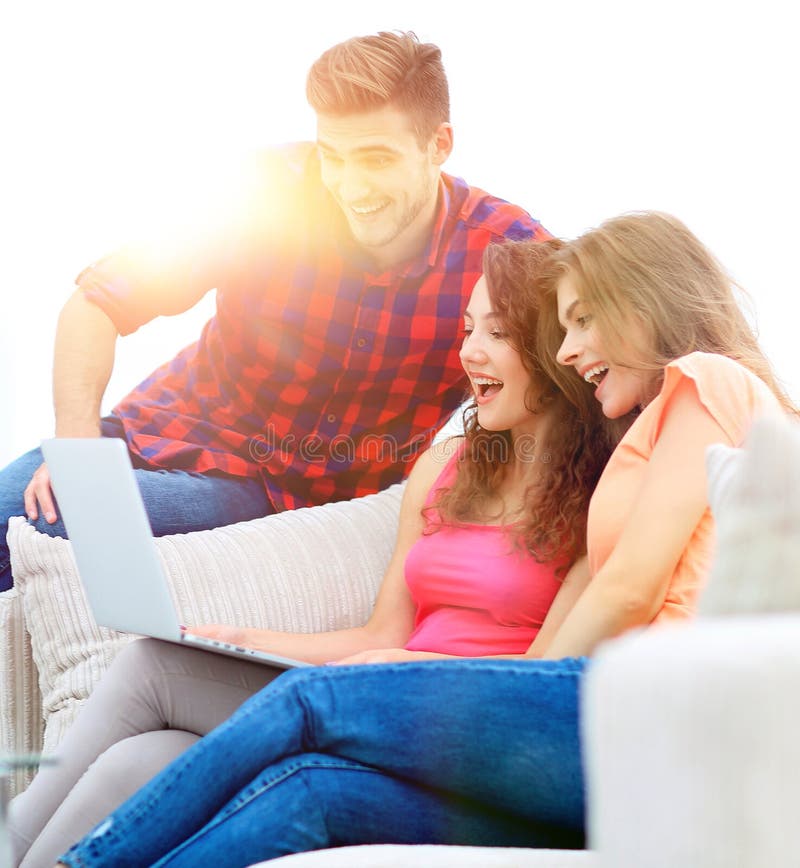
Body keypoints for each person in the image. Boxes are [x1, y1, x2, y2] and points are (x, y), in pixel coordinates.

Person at [21, 212, 796, 868]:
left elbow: (630, 586)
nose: (568, 349)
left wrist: (513, 687)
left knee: (306, 700)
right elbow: (613, 584)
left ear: (641, 303)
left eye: (581, 321)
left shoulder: (707, 379)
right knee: (309, 787)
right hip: (606, 705)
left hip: (615, 706)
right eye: (561, 327)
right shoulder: (638, 434)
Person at [0, 30, 548, 592]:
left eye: (376, 159)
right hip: (160, 426)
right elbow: (96, 300)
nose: (351, 186)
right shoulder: (265, 191)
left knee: (40, 525)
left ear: (439, 144)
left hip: (280, 488)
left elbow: (580, 364)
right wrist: (76, 452)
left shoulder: (505, 253)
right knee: (14, 507)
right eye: (332, 156)